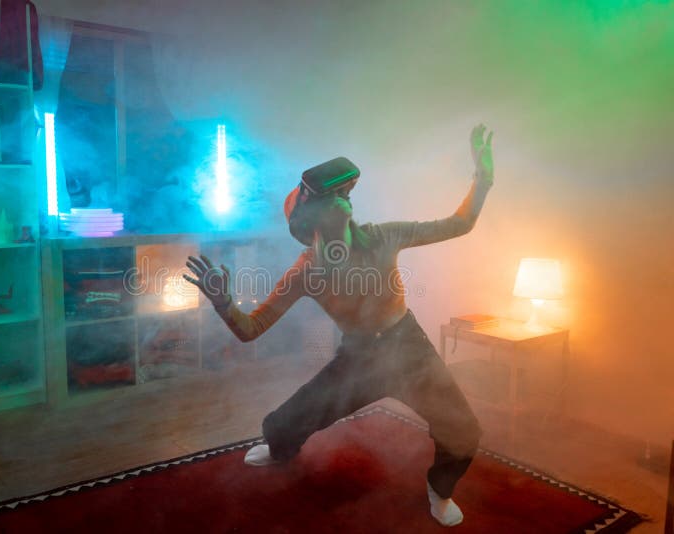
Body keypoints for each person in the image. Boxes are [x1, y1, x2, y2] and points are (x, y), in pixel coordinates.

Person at [183, 124, 494, 527]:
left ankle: (441, 487)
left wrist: (482, 180)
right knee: (285, 422)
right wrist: (222, 301)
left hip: (408, 348)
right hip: (359, 356)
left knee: (464, 430)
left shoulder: (384, 236)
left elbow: (459, 223)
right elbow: (250, 328)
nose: (344, 205)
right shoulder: (304, 273)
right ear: (314, 224)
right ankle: (281, 449)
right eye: (334, 203)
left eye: (345, 199)